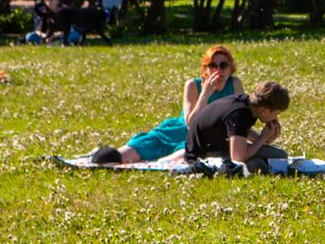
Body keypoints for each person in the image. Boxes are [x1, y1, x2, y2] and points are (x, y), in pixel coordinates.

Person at [90, 45, 239, 165]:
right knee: (113, 157)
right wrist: (205, 94)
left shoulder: (234, 85)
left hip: (201, 139)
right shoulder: (194, 85)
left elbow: (238, 122)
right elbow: (190, 123)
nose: (218, 71)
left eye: (223, 65)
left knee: (170, 160)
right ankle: (98, 153)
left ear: (230, 68)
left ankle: (155, 163)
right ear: (205, 69)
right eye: (213, 65)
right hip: (177, 131)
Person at [184, 81, 290, 169]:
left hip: (216, 145)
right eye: (276, 113)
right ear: (265, 111)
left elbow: (239, 133)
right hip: (202, 156)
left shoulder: (244, 103)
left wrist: (264, 139)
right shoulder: (239, 114)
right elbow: (238, 157)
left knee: (278, 155)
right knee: (266, 161)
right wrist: (261, 139)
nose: (276, 117)